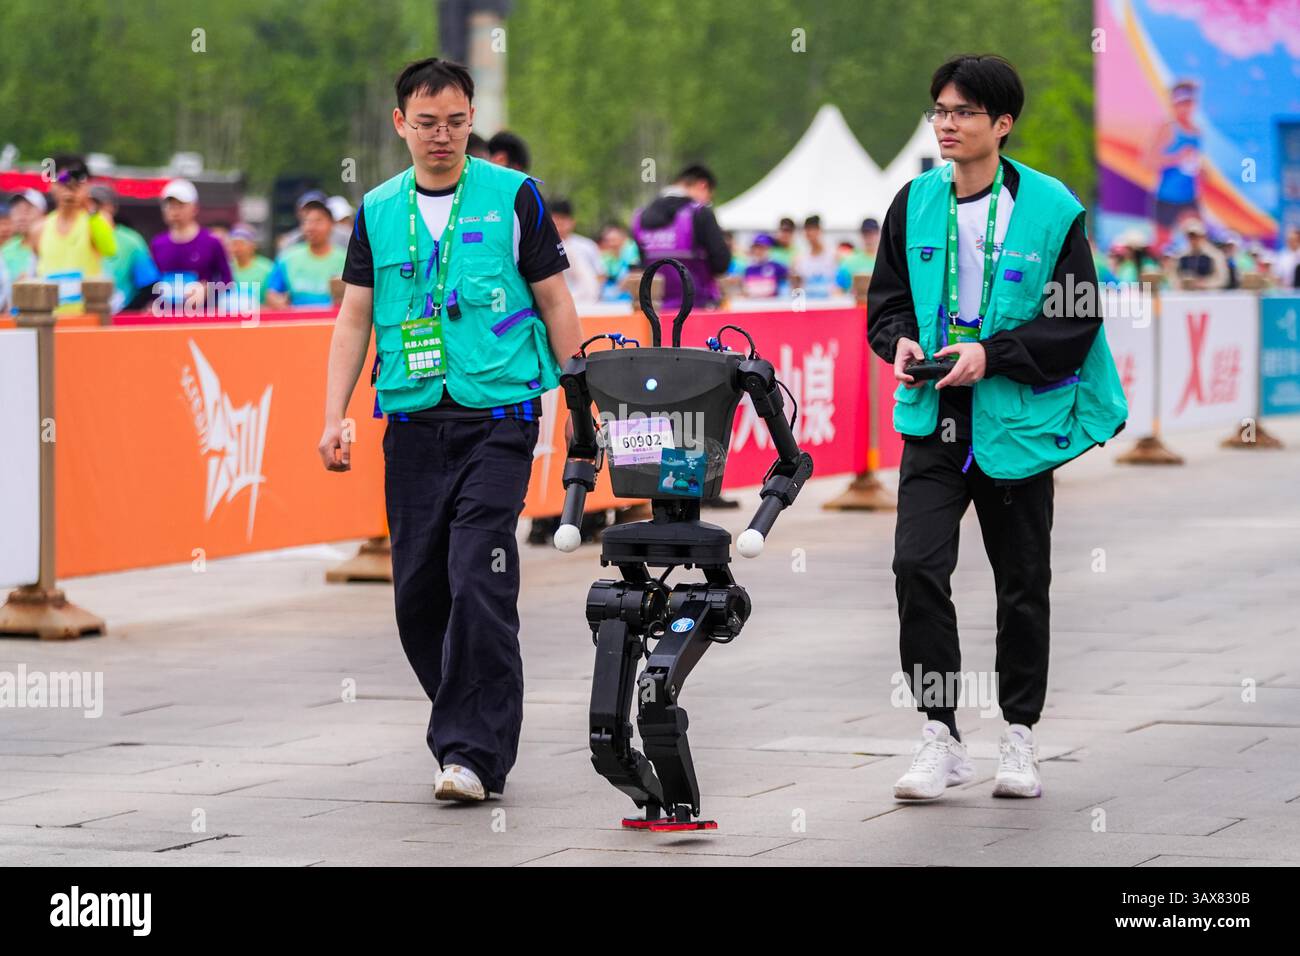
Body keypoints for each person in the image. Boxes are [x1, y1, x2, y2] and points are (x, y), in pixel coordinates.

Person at [318, 57, 582, 803]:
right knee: (420, 596)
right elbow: (354, 317)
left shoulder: (513, 199)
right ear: (400, 123)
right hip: (411, 420)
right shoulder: (375, 210)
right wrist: (333, 414)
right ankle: (478, 715)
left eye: (458, 123)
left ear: (474, 122)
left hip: (499, 416)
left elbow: (556, 304)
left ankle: (469, 751)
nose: (443, 137)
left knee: (478, 575)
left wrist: (582, 403)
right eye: (428, 123)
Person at [867, 54, 1127, 802]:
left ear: (1002, 124)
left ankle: (1019, 736)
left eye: (963, 113)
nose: (946, 125)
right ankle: (940, 736)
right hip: (934, 420)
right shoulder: (911, 202)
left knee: (1022, 583)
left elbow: (1075, 322)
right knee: (916, 568)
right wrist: (900, 344)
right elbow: (885, 305)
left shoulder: (1052, 209)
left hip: (1014, 423)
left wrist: (992, 355)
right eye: (939, 111)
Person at [631, 163, 730, 310]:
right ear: (702, 185)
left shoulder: (640, 217)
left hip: (654, 313)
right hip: (696, 308)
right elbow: (721, 263)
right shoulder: (700, 212)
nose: (708, 201)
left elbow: (642, 263)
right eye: (709, 196)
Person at [34, 156, 117, 316]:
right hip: (50, 317)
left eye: (75, 183)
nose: (68, 190)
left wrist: (88, 205)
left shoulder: (96, 219)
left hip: (88, 317)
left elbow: (110, 250)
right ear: (51, 185)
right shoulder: (40, 228)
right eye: (62, 183)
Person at [150, 178, 232, 311]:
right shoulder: (157, 244)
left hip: (201, 318)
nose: (175, 211)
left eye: (181, 205)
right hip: (164, 319)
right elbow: (151, 282)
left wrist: (208, 290)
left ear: (194, 208)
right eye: (170, 206)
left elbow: (227, 281)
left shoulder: (211, 242)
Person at [1147, 80, 1203, 251]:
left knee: (1197, 239)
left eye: (1189, 103)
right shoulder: (1168, 129)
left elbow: (1193, 165)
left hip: (1189, 196)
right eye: (1181, 104)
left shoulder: (1196, 131)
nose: (1185, 108)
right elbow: (1149, 161)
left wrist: (1201, 171)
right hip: (1167, 197)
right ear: (1174, 105)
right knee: (1162, 244)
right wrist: (1177, 158)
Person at [90, 184, 161, 313]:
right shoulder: (75, 236)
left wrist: (125, 312)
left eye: (99, 204)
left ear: (113, 207)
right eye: (89, 205)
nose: (93, 210)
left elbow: (149, 284)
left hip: (117, 318)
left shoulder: (131, 240)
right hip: (80, 316)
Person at [266, 196, 347, 308]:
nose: (311, 227)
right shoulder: (287, 258)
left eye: (318, 221)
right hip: (298, 323)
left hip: (333, 323)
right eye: (307, 221)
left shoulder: (346, 259)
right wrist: (283, 306)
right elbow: (272, 294)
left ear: (331, 224)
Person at [550, 197, 604, 304]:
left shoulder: (587, 246)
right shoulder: (543, 247)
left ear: (572, 222)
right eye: (555, 219)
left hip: (587, 302)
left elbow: (600, 275)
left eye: (563, 220)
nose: (559, 224)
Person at [1, 188, 46, 282]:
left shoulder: (50, 244)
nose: (21, 216)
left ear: (43, 213)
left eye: (27, 210)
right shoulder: (6, 249)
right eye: (17, 210)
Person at [1174, 219, 1228, 290]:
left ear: (1203, 237)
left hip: (1209, 295)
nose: (1193, 239)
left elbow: (1222, 279)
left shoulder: (1215, 255)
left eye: (1196, 236)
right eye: (1190, 236)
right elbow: (1175, 278)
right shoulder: (1181, 256)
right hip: (1187, 295)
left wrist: (1205, 283)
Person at [793, 214, 838, 298]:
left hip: (829, 304)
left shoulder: (834, 255)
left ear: (820, 231)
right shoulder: (799, 258)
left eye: (814, 229)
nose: (811, 233)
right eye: (808, 230)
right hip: (809, 304)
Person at [228, 224, 274, 301]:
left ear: (253, 245)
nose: (237, 248)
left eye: (242, 244)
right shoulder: (227, 268)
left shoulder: (267, 268)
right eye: (234, 244)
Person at [835, 217, 880, 292]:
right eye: (866, 233)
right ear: (861, 235)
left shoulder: (886, 260)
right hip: (857, 302)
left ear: (879, 234)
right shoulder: (848, 260)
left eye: (872, 233)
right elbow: (838, 289)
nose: (869, 237)